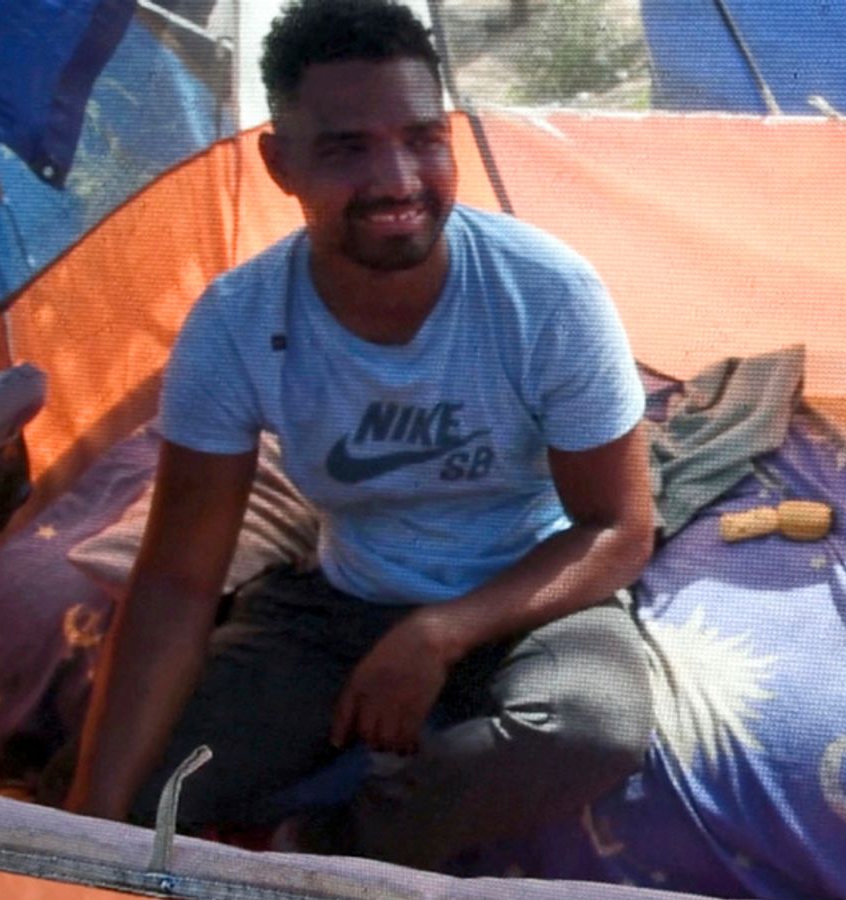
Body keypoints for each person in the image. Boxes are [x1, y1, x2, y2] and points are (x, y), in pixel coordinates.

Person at [62, 0, 656, 870]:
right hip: (341, 602)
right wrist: (89, 835)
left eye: (421, 138)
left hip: (530, 590)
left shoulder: (548, 294)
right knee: (141, 785)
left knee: (590, 730)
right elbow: (180, 580)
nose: (397, 180)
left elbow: (619, 529)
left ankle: (323, 854)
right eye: (347, 148)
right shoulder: (236, 325)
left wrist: (437, 634)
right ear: (281, 163)